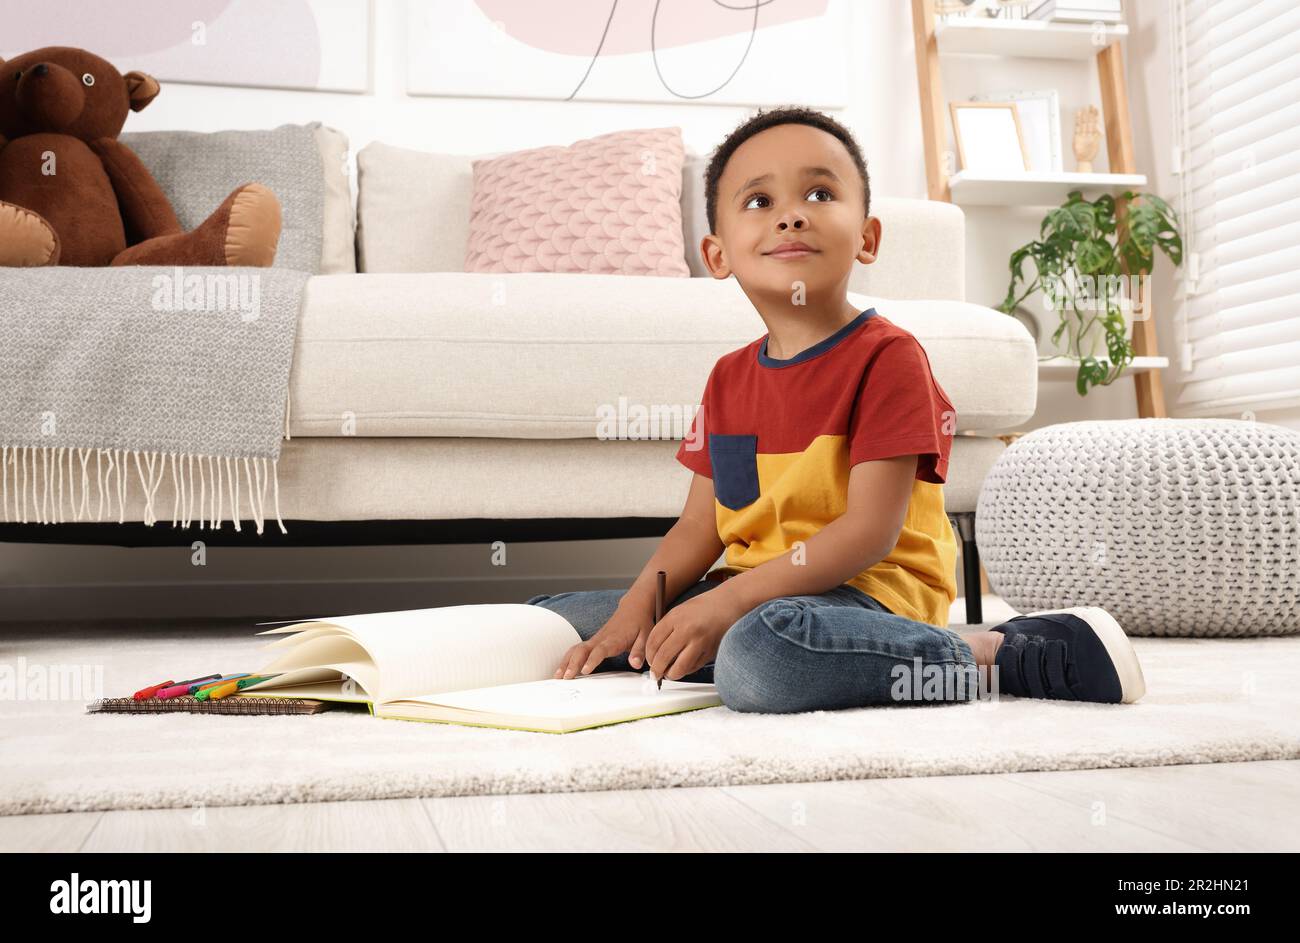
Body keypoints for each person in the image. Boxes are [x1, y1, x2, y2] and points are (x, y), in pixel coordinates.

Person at [527, 106, 1145, 712]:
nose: (791, 216)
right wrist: (642, 609)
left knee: (763, 656)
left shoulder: (890, 358)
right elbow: (698, 529)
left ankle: (986, 653)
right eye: (759, 202)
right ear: (717, 255)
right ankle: (738, 643)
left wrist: (726, 606)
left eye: (819, 194)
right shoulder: (727, 378)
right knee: (555, 623)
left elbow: (866, 534)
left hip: (868, 596)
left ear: (867, 238)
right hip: (757, 597)